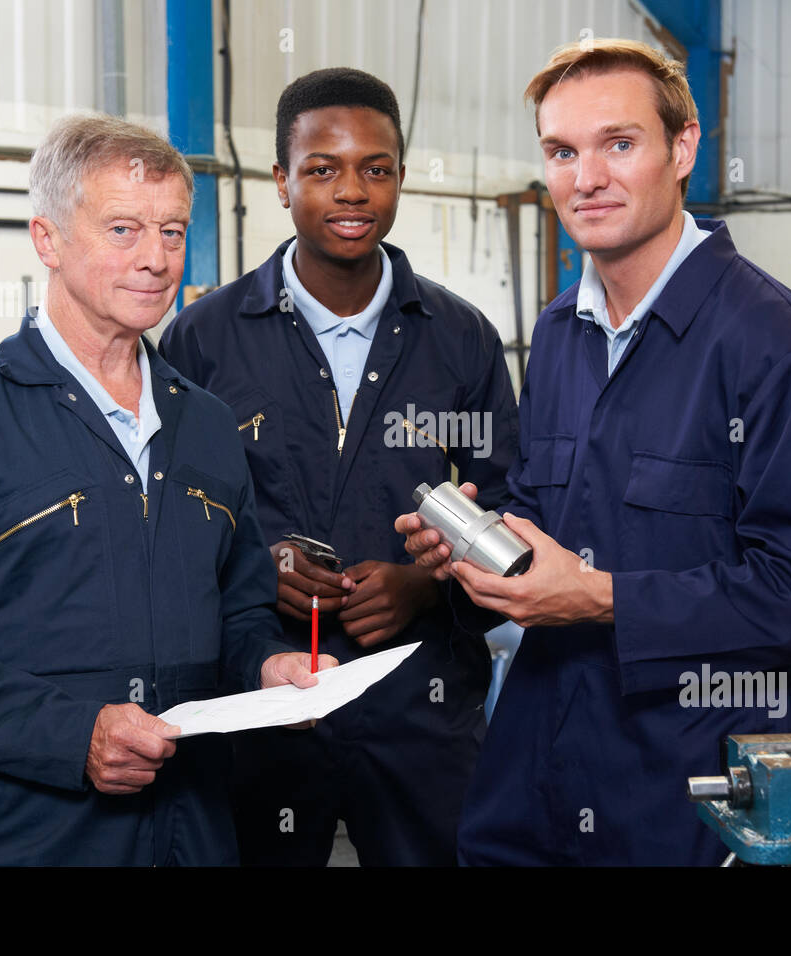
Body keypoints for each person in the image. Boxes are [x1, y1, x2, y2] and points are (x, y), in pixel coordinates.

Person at [397, 39, 791, 865]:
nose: (587, 178)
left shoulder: (773, 341)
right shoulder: (558, 331)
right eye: (562, 152)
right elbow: (547, 518)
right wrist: (477, 552)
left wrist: (604, 597)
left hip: (685, 798)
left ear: (682, 149)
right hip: (532, 779)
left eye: (619, 144)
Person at [0, 114, 333, 866]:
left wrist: (269, 666)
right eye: (123, 229)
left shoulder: (209, 426)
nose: (157, 259)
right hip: (29, 840)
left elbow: (240, 610)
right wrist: (73, 737)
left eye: (172, 231)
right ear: (48, 239)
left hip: (195, 829)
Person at [158, 68, 519, 866]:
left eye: (376, 169)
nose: (351, 191)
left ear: (398, 178)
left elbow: (513, 513)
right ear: (281, 181)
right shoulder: (204, 341)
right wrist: (260, 568)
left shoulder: (460, 340)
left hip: (421, 710)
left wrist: (425, 585)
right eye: (322, 169)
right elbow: (171, 524)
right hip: (264, 708)